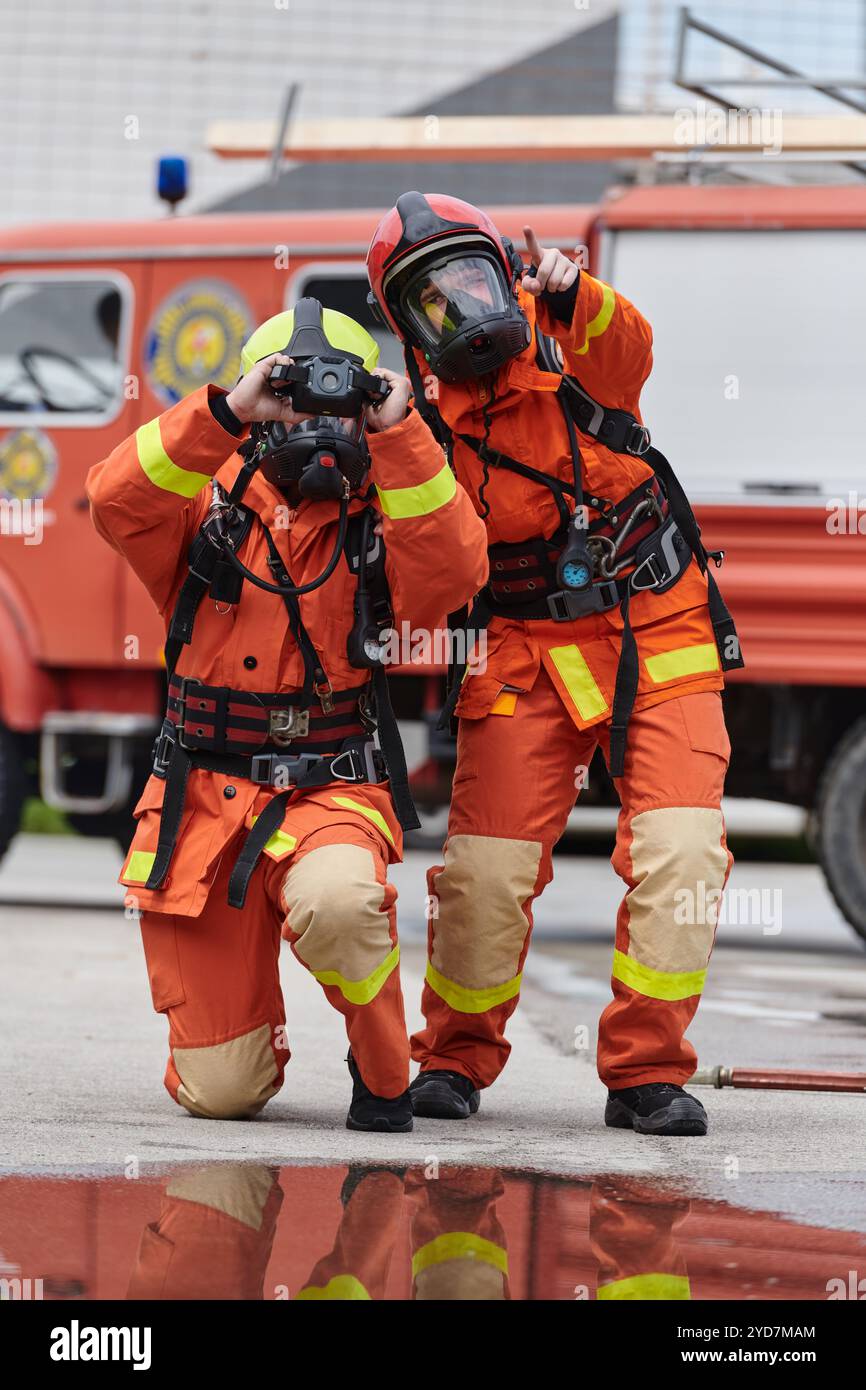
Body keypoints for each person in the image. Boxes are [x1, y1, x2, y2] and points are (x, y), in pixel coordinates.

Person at [367, 193, 743, 1136]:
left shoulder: (572, 338)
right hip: (525, 650)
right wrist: (393, 430)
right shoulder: (418, 421)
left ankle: (647, 1073)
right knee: (486, 874)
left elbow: (633, 350)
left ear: (503, 269)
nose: (458, 309)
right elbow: (426, 563)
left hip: (655, 628)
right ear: (407, 322)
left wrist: (580, 296)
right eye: (431, 298)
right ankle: (453, 1060)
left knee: (683, 852)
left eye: (468, 278)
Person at [86, 299, 487, 1133]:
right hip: (202, 808)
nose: (314, 420)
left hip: (327, 795)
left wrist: (399, 428)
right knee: (221, 1094)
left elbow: (455, 574)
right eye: (294, 396)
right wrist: (228, 411)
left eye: (334, 401)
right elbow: (113, 501)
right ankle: (250, 1042)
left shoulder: (382, 513)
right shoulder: (205, 513)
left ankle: (381, 1076)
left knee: (339, 902)